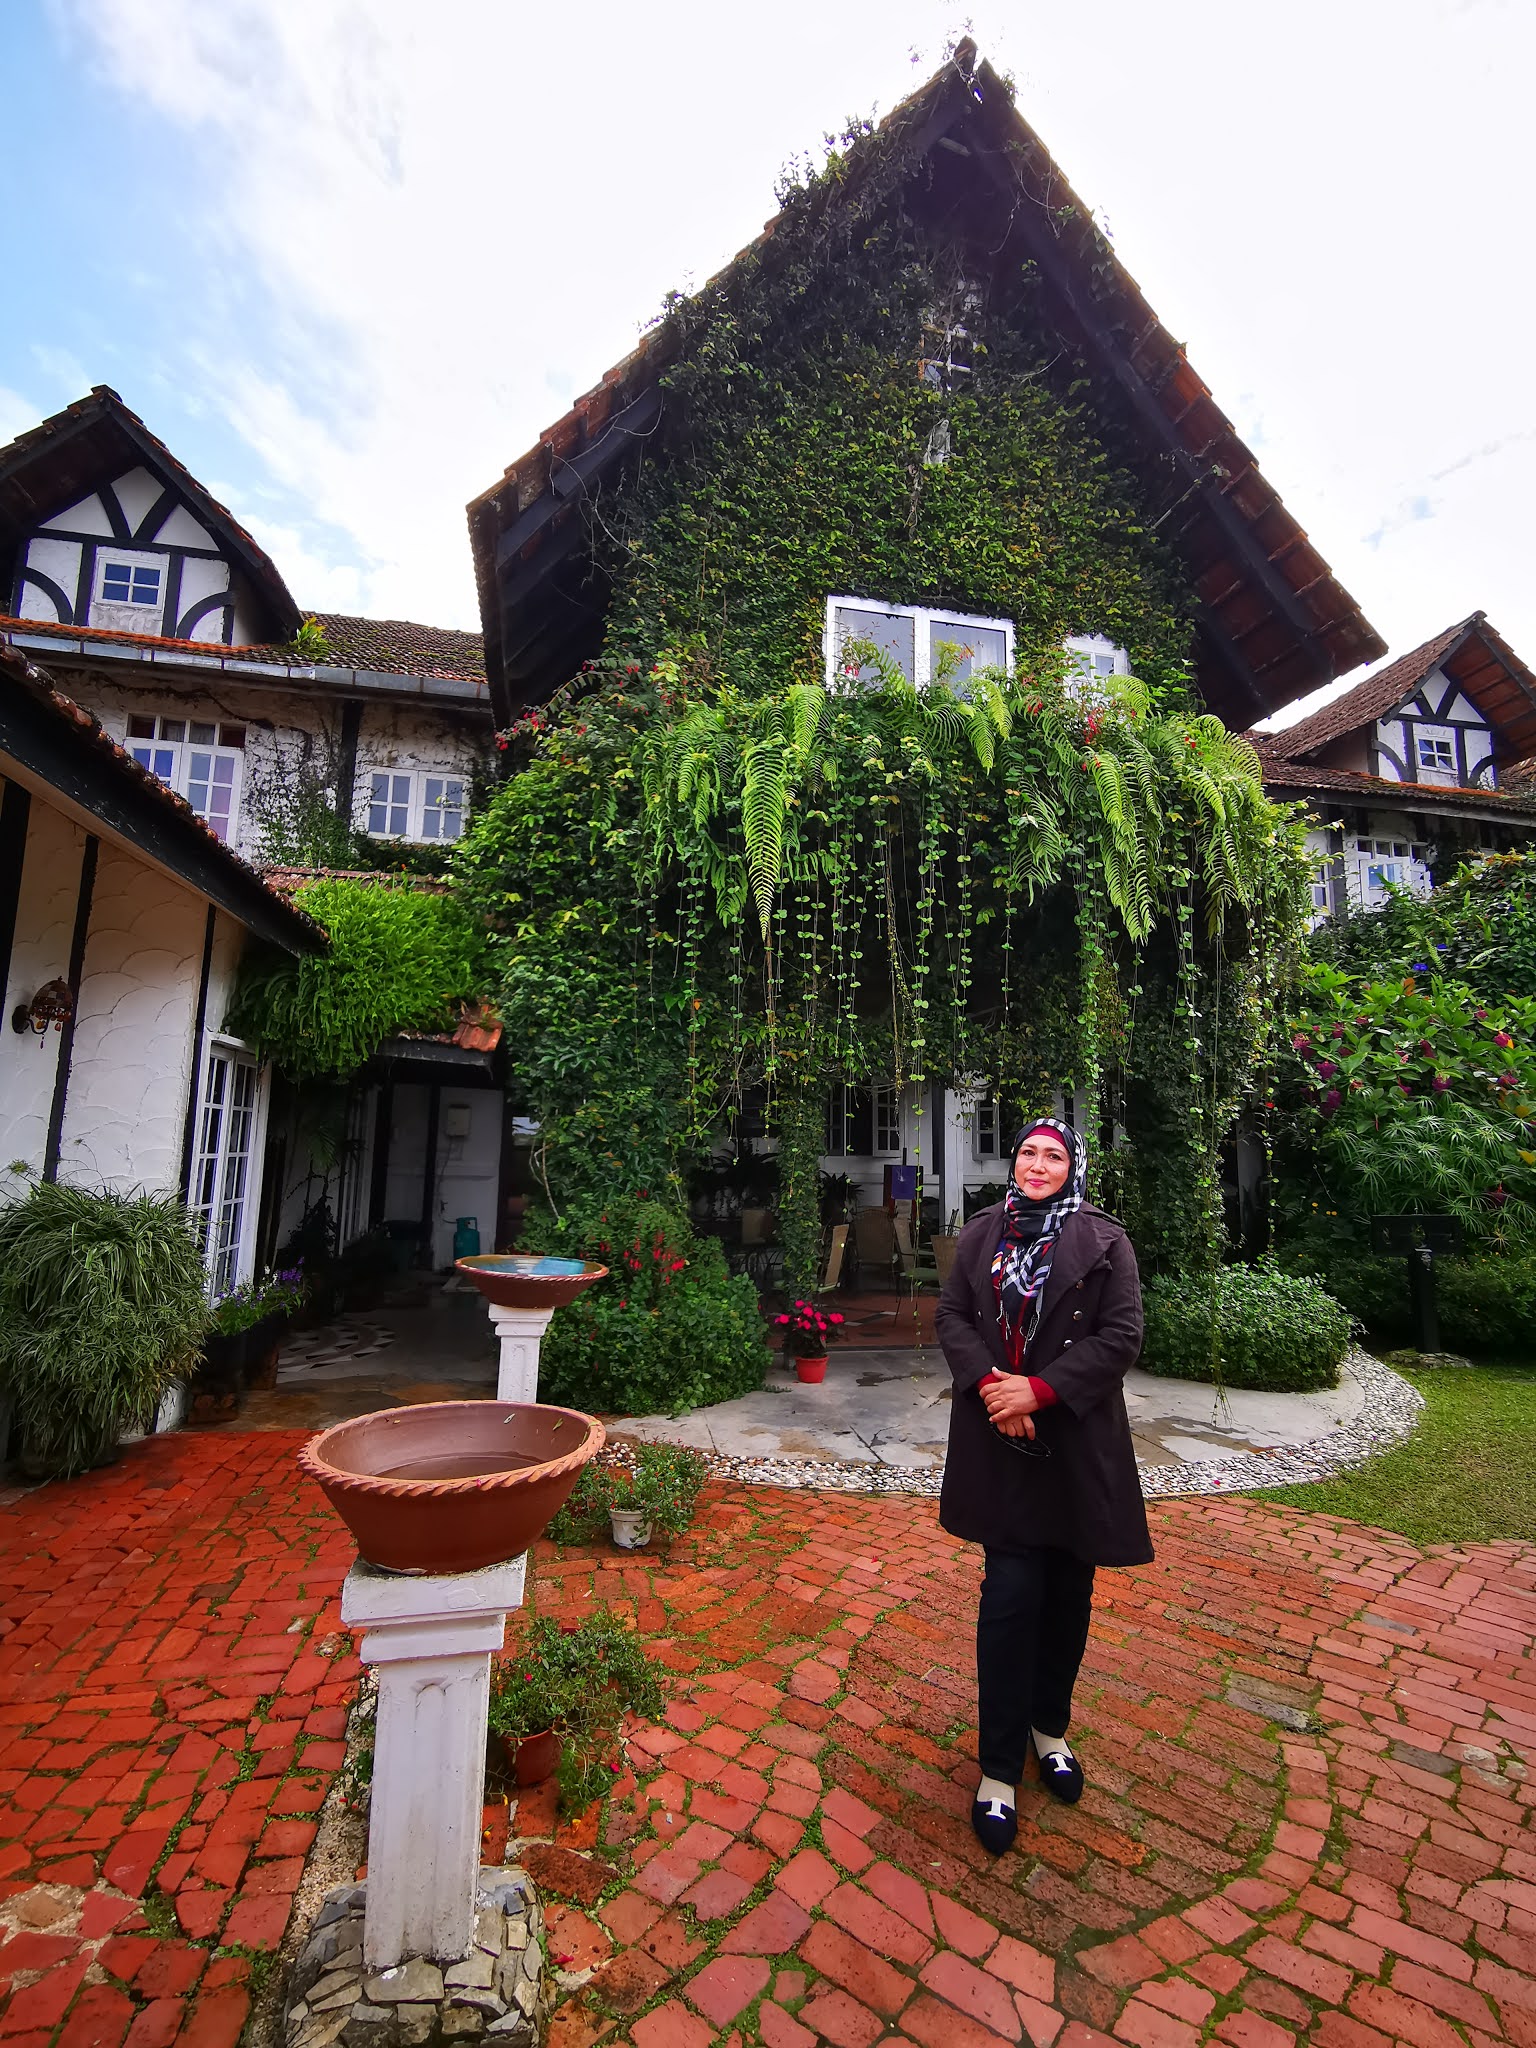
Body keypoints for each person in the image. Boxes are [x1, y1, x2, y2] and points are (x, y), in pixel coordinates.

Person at [936, 1117, 1152, 1854]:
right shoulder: (983, 1233)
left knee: (1068, 1596)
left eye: (1051, 1155)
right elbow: (955, 1316)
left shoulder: (1106, 1241)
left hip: (1075, 1443)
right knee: (1010, 1599)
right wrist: (998, 1390)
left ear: (1072, 1167)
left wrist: (1043, 1392)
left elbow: (1120, 1336)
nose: (1035, 1163)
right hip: (1000, 1443)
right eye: (1027, 1151)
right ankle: (998, 1770)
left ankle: (1048, 1729)